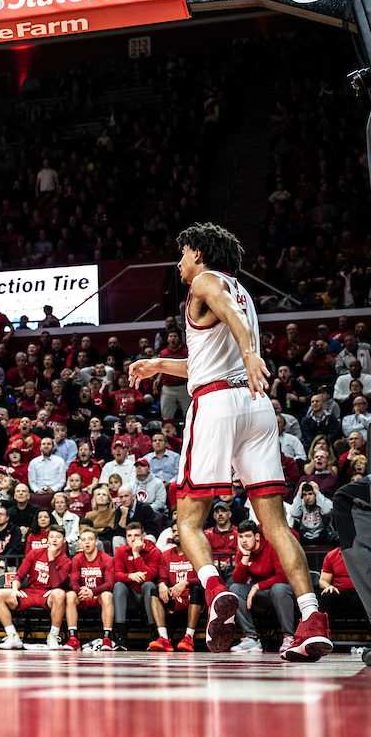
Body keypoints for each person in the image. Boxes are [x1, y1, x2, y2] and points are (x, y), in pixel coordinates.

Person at [130, 222, 331, 661]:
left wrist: (249, 352)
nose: (179, 262)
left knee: (186, 518)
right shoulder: (242, 291)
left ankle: (217, 590)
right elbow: (205, 359)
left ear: (199, 253)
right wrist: (158, 364)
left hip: (218, 405)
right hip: (255, 406)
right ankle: (312, 620)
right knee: (275, 524)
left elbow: (227, 328)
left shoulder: (205, 282)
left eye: (182, 253)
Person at [0, 525, 71, 650]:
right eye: (51, 537)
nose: (54, 540)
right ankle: (12, 636)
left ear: (64, 540)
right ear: (47, 539)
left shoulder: (65, 561)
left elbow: (56, 584)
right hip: (30, 592)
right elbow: (19, 575)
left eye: (58, 537)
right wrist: (14, 590)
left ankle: (53, 636)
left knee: (60, 594)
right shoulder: (35, 553)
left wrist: (51, 559)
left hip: (48, 594)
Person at [229, 520, 297, 655]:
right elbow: (238, 579)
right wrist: (245, 556)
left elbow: (283, 576)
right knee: (235, 589)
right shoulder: (243, 551)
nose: (244, 541)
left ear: (257, 536)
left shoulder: (271, 547)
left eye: (248, 536)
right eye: (241, 537)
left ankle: (289, 637)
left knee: (279, 588)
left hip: (279, 592)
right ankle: (251, 638)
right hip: (260, 596)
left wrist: (257, 586)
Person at [152, 523, 205, 652]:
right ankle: (164, 638)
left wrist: (186, 583)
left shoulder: (197, 553)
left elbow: (204, 577)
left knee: (197, 589)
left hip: (193, 596)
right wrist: (162, 585)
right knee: (154, 590)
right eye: (174, 531)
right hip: (175, 597)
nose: (176, 533)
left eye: (179, 531)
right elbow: (162, 578)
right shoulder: (166, 555)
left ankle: (189, 638)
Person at [111, 521, 162, 650]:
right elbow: (117, 575)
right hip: (131, 596)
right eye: (129, 536)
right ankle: (121, 637)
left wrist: (136, 554)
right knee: (118, 586)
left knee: (149, 585)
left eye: (136, 535)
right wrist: (130, 576)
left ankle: (154, 634)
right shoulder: (120, 550)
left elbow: (149, 576)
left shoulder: (154, 551)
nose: (132, 539)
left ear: (143, 537)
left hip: (148, 595)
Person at [64, 524, 115, 651]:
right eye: (84, 540)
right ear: (80, 542)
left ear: (96, 542)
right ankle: (73, 638)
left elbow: (109, 583)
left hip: (98, 596)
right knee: (70, 595)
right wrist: (81, 591)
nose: (87, 542)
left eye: (90, 539)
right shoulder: (77, 559)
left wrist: (93, 592)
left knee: (108, 595)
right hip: (83, 596)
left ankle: (106, 638)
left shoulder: (106, 559)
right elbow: (73, 582)